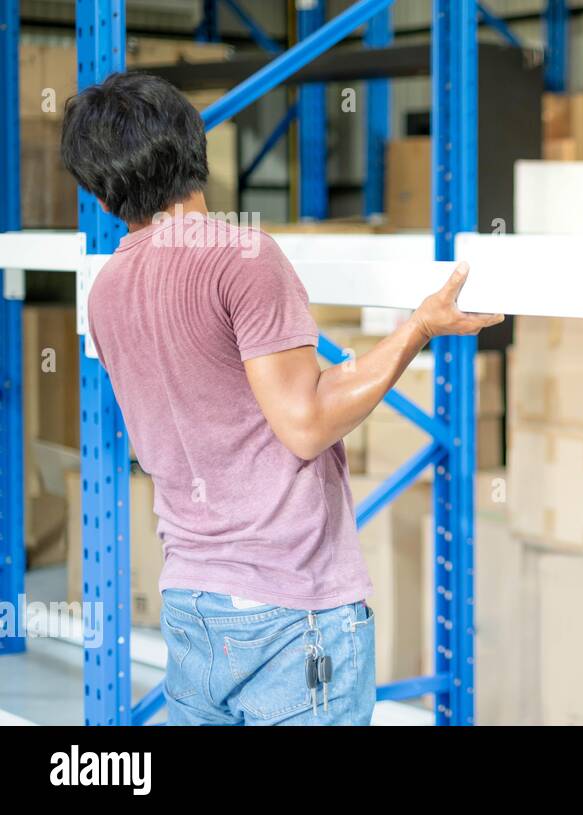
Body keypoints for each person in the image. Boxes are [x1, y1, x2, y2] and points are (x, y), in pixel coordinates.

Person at [60, 71, 502, 725]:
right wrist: (418, 329)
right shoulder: (242, 258)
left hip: (191, 598)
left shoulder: (108, 290)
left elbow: (215, 398)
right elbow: (304, 424)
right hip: (291, 611)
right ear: (195, 149)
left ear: (102, 194)